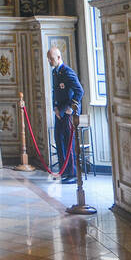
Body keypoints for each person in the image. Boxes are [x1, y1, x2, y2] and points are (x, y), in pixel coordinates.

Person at [46, 47, 84, 184]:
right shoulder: (55, 73)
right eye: (48, 59)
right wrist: (55, 108)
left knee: (69, 144)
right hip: (59, 112)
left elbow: (80, 91)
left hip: (68, 114)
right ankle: (64, 171)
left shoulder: (67, 72)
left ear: (58, 57)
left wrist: (70, 107)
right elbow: (55, 92)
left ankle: (73, 173)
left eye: (51, 58)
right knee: (59, 141)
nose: (50, 61)